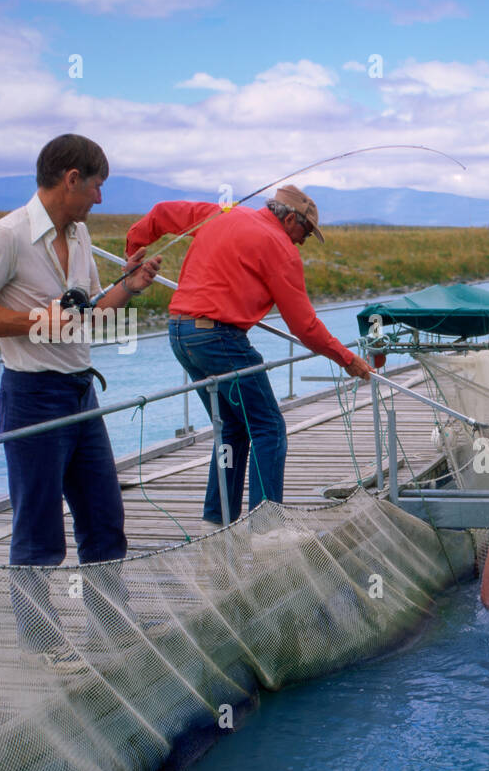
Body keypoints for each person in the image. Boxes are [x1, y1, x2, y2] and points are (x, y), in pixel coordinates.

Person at [0, 133, 163, 671]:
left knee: (103, 515)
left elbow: (91, 314)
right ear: (71, 178)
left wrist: (132, 287)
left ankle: (113, 624)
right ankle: (40, 646)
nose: (99, 199)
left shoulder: (82, 234)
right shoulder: (7, 236)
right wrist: (36, 321)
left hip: (80, 391)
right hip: (31, 395)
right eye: (96, 187)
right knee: (38, 524)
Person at [125, 186, 373, 526]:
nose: (302, 242)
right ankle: (267, 531)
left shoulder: (222, 213)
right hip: (219, 339)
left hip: (180, 334)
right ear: (289, 219)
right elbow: (304, 325)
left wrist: (133, 248)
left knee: (230, 429)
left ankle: (216, 522)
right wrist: (347, 359)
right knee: (268, 428)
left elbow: (161, 213)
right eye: (304, 233)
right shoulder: (280, 249)